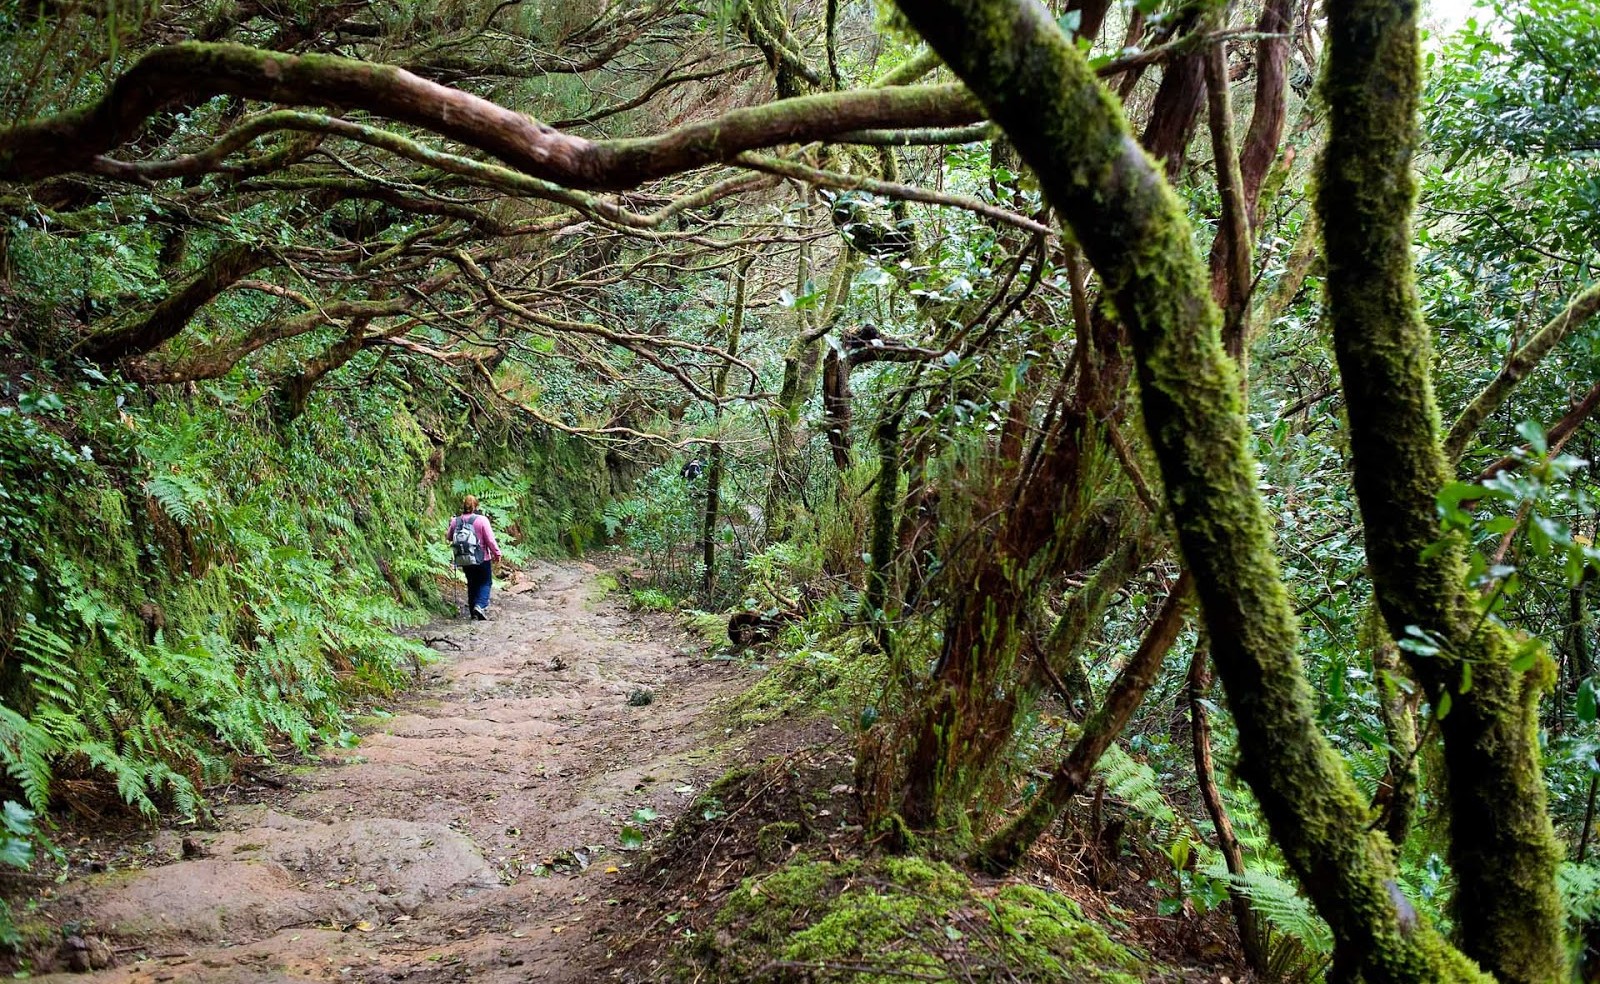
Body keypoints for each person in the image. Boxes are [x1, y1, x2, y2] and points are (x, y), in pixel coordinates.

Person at [447, 495, 501, 620]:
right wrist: (497, 553)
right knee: (485, 582)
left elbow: (449, 537)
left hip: (464, 559)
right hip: (482, 558)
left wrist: (451, 523)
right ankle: (480, 606)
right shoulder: (482, 520)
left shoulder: (456, 521)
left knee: (472, 584)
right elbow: (490, 540)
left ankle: (473, 612)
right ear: (476, 506)